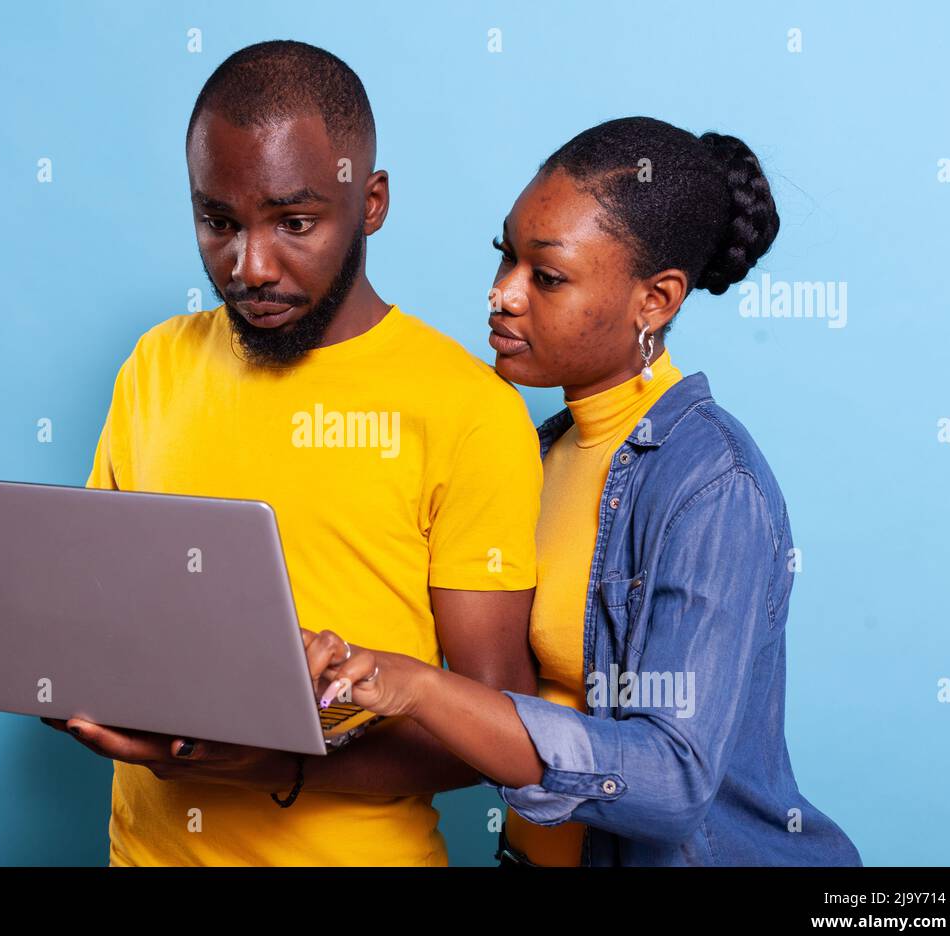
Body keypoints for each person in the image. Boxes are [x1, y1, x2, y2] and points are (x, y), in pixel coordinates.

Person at [302, 117, 863, 866]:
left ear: (656, 301)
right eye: (505, 256)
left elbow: (672, 779)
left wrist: (420, 689)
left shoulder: (711, 486)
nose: (502, 295)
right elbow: (491, 690)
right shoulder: (537, 450)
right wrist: (338, 676)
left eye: (548, 276)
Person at [42, 40, 544, 866]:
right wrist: (61, 682)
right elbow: (101, 611)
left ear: (371, 202)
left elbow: (501, 731)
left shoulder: (469, 410)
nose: (251, 267)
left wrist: (281, 764)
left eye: (296, 222)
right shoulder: (156, 365)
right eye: (218, 222)